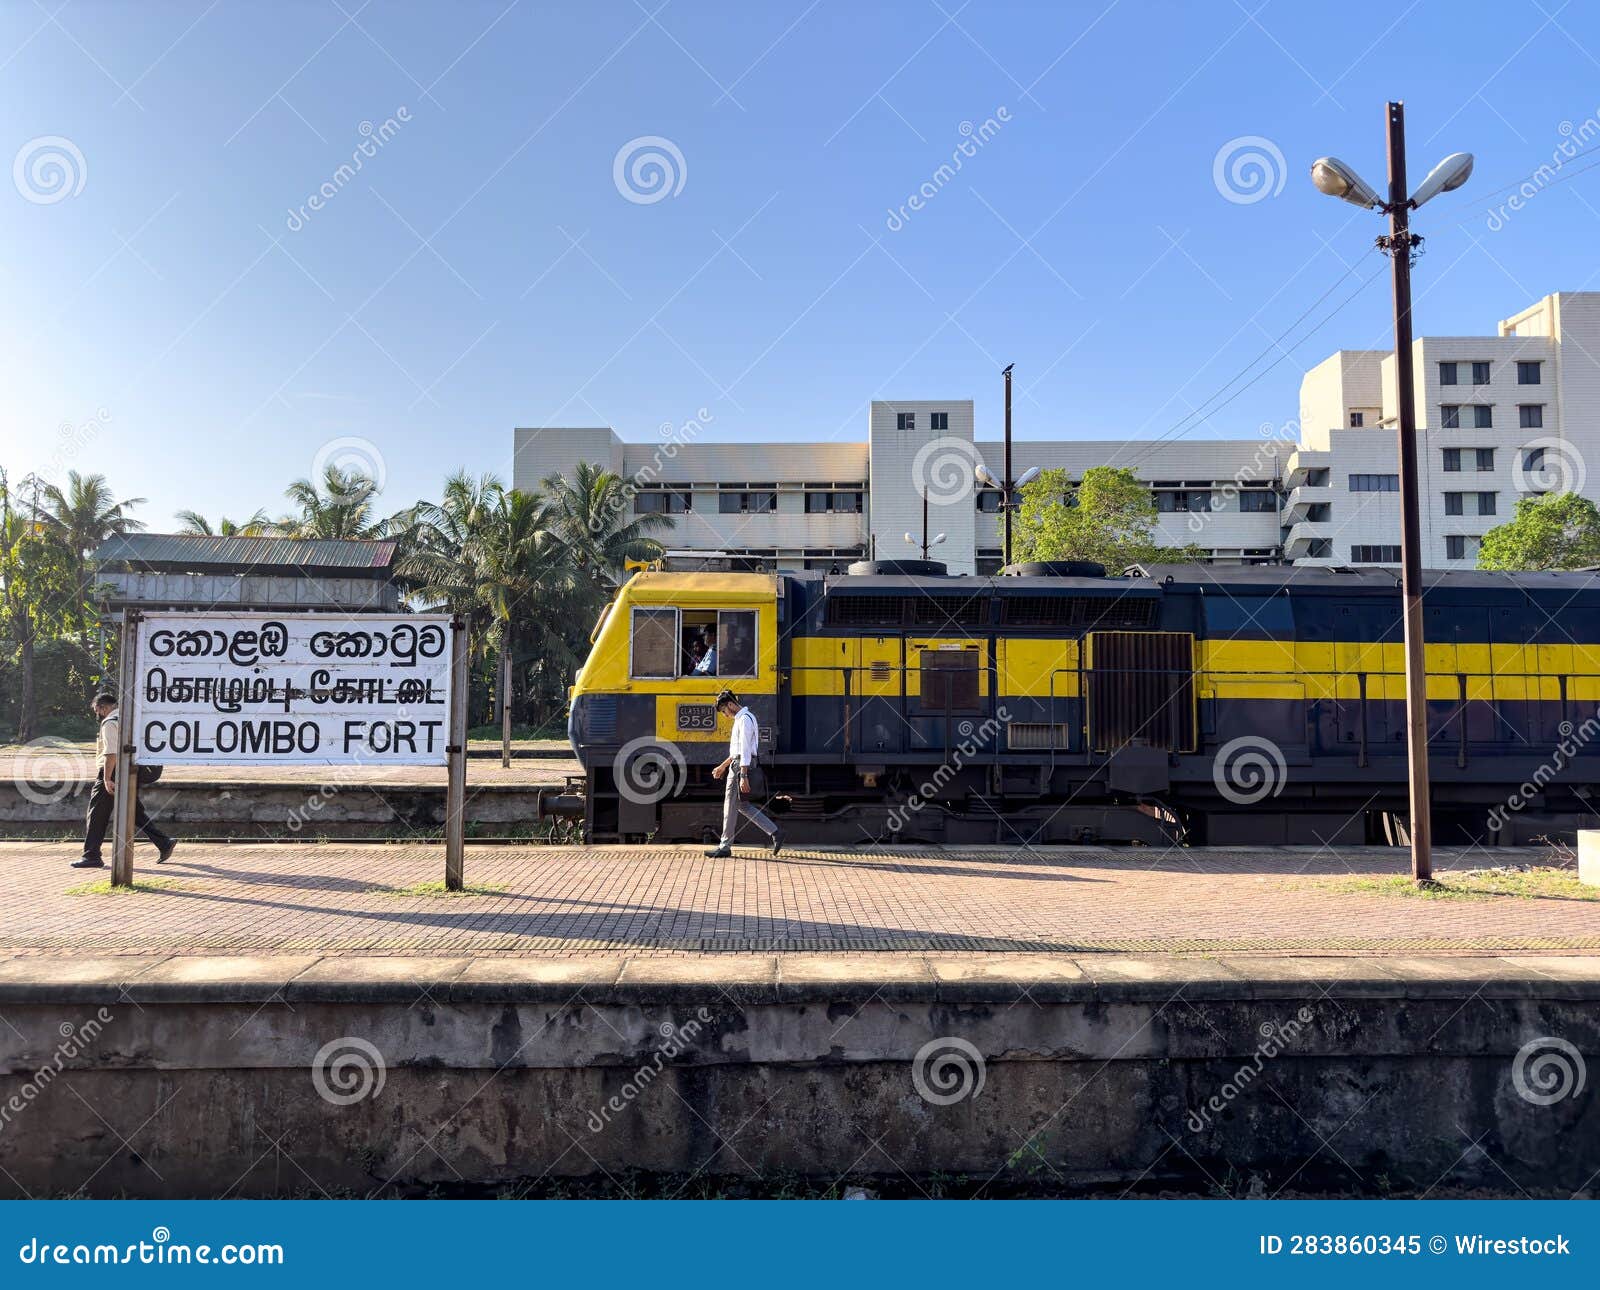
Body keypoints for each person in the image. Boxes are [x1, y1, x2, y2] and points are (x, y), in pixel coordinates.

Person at [74, 691, 175, 870]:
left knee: (96, 814)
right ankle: (164, 843)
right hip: (132, 769)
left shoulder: (110, 722)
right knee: (133, 811)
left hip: (114, 772)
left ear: (103, 708)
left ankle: (92, 856)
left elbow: (111, 753)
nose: (97, 715)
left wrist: (106, 778)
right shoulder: (131, 719)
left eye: (97, 711)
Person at [705, 688, 781, 859]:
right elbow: (737, 752)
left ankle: (725, 846)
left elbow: (745, 750)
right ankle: (776, 832)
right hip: (738, 764)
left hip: (740, 767)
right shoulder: (743, 719)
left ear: (731, 705)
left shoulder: (744, 720)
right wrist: (722, 766)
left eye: (724, 711)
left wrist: (743, 775)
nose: (725, 715)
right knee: (742, 805)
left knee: (730, 805)